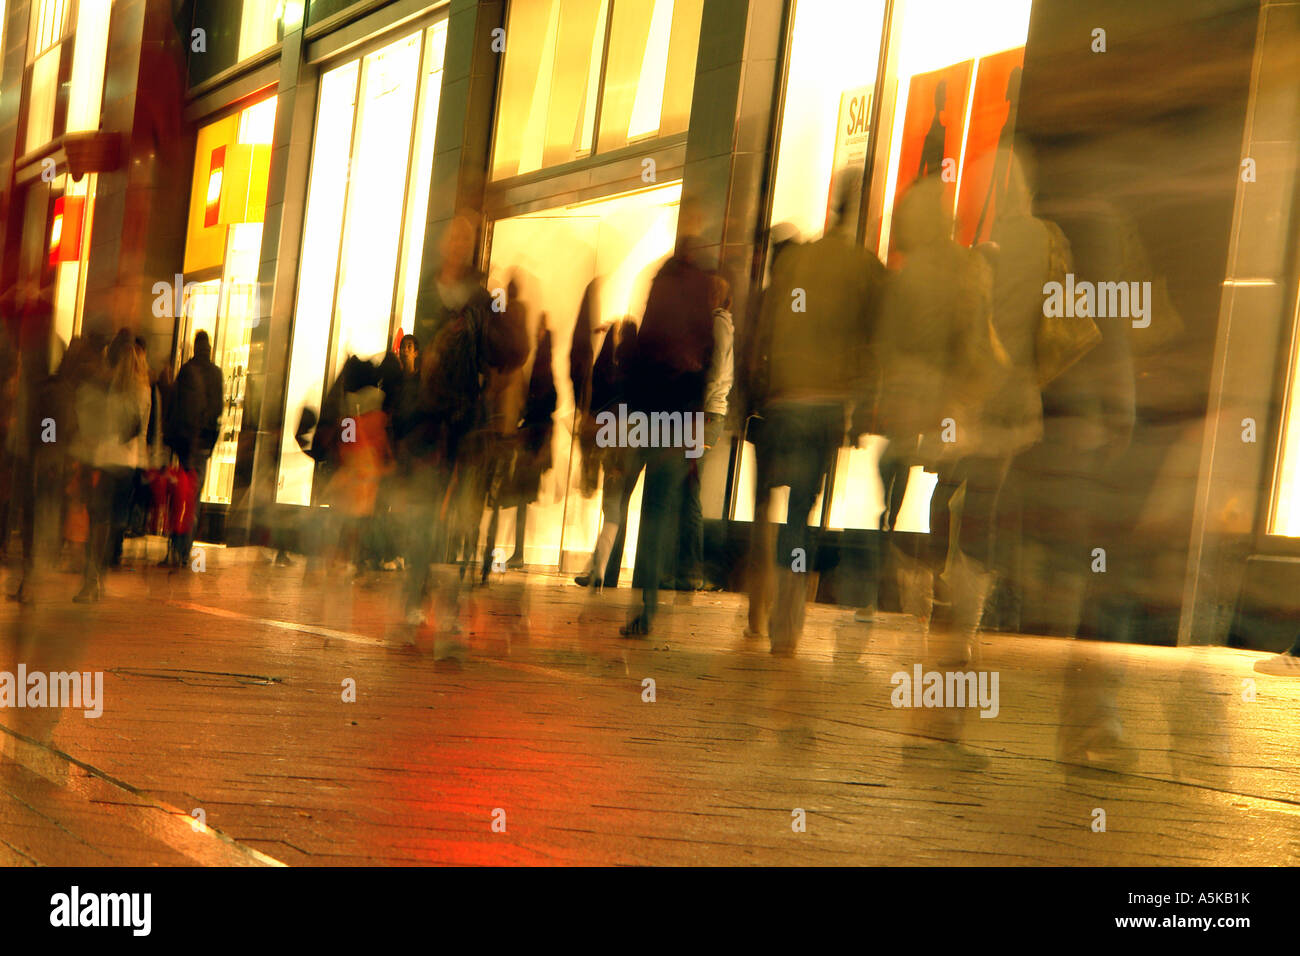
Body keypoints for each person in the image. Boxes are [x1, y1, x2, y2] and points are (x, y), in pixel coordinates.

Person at [750, 186, 888, 656]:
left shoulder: (795, 264)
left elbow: (767, 328)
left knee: (775, 503)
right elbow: (874, 340)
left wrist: (764, 388)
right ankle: (785, 620)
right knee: (800, 514)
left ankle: (766, 606)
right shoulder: (861, 267)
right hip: (825, 403)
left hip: (785, 401)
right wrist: (860, 408)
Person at [619, 235, 715, 637]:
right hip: (676, 418)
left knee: (653, 509)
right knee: (664, 506)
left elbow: (640, 357)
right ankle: (650, 599)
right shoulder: (699, 311)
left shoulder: (663, 292)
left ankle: (647, 600)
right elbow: (704, 371)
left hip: (655, 416)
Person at [76, 331, 150, 602]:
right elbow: (142, 430)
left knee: (98, 520)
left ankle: (91, 578)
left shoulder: (111, 388)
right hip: (129, 464)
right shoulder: (143, 390)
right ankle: (99, 575)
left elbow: (98, 425)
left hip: (107, 460)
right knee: (110, 522)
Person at [670, 273, 734, 590]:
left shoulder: (717, 323)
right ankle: (687, 569)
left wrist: (699, 407)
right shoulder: (717, 323)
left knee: (689, 491)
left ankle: (690, 570)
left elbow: (715, 371)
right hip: (706, 414)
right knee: (687, 489)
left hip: (705, 415)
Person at [575, 319, 638, 589]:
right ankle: (599, 568)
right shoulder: (637, 368)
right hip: (631, 437)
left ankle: (599, 569)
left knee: (612, 507)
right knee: (615, 505)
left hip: (614, 438)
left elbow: (596, 391)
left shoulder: (611, 370)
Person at [163, 330, 223, 567]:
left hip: (186, 445)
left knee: (180, 495)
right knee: (195, 497)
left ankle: (177, 545)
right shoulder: (216, 373)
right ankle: (186, 549)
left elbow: (176, 407)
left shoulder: (187, 371)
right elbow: (218, 409)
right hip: (204, 445)